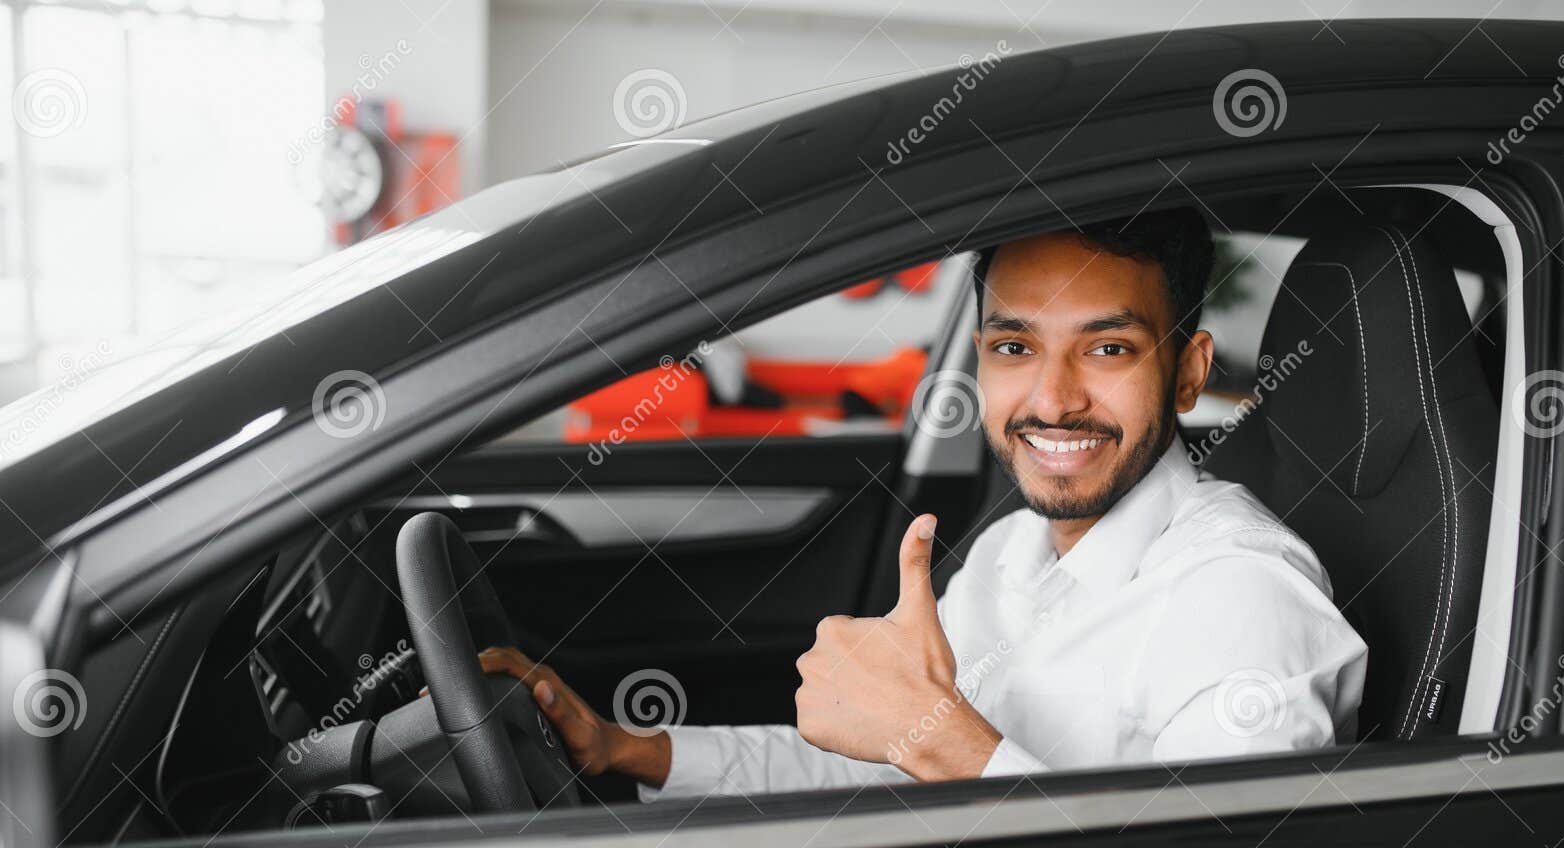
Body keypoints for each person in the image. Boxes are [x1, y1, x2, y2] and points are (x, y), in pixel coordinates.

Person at [479, 208, 1368, 800]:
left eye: (1107, 349)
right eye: (1015, 345)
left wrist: (939, 734)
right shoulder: (1011, 551)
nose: (1052, 399)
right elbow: (883, 758)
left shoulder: (1241, 598)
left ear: (1189, 373)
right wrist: (628, 748)